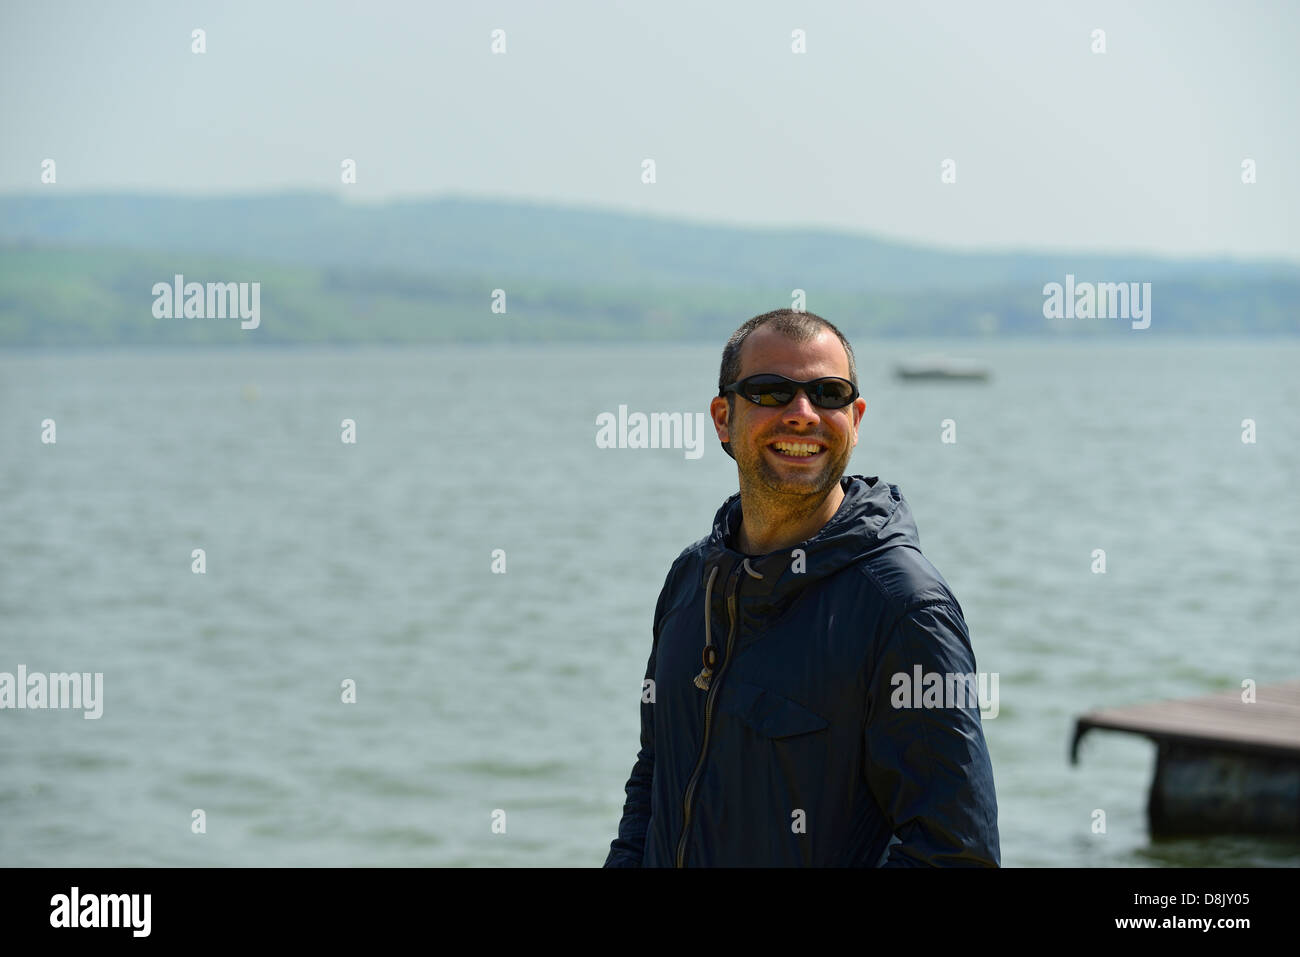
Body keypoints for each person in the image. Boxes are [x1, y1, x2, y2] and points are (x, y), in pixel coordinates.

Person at [603, 309, 1000, 867]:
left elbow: (955, 854)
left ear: (855, 419)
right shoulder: (692, 582)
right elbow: (653, 781)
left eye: (829, 393)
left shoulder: (905, 609)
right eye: (770, 392)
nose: (803, 415)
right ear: (723, 418)